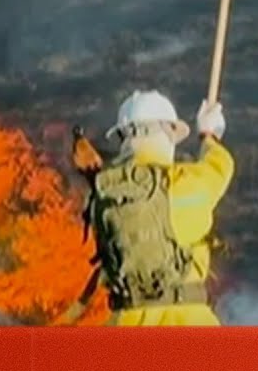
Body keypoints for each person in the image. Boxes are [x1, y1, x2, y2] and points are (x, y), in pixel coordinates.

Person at [63, 90, 235, 326]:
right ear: (169, 132)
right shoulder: (184, 186)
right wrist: (208, 135)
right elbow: (220, 167)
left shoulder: (102, 196)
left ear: (123, 138)